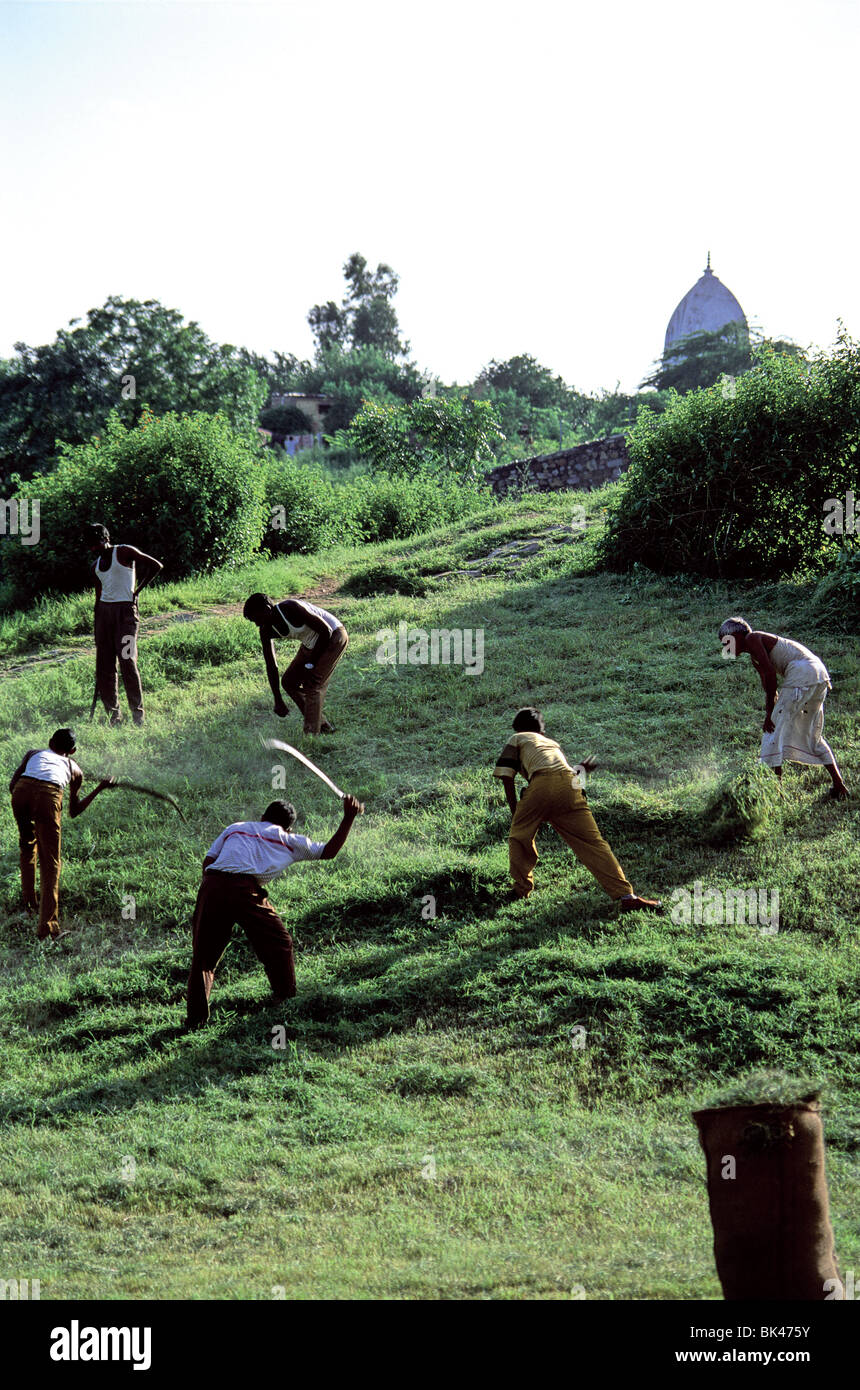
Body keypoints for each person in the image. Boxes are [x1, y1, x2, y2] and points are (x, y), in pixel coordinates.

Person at [186, 792, 364, 1027]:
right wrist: (349, 817)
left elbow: (208, 863)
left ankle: (195, 1021)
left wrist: (213, 896)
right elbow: (328, 851)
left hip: (213, 885)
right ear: (288, 827)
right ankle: (285, 998)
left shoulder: (236, 828)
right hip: (245, 891)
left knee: (204, 957)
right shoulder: (287, 840)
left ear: (262, 817)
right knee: (279, 942)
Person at [493, 707, 662, 911]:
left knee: (519, 838)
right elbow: (564, 776)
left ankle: (521, 889)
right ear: (541, 729)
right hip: (570, 787)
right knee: (594, 843)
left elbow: (506, 776)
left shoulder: (517, 738)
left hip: (542, 785)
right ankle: (627, 896)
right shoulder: (552, 744)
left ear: (517, 727)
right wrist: (581, 769)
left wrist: (516, 813)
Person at [718, 617, 849, 799]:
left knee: (772, 734)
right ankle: (839, 785)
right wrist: (772, 702)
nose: (726, 648)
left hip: (801, 674)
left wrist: (769, 712)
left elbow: (771, 674)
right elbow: (767, 679)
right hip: (818, 674)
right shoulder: (755, 653)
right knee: (811, 734)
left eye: (727, 641)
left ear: (737, 636)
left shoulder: (752, 638)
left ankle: (777, 793)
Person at [9, 728, 114, 940]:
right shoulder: (74, 768)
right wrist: (100, 788)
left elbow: (12, 785)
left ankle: (29, 904)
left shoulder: (32, 754)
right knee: (51, 863)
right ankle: (47, 928)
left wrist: (29, 798)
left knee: (27, 845)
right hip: (48, 796)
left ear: (49, 742)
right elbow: (74, 811)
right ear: (73, 751)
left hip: (21, 792)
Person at [87, 522, 163, 726]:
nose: (94, 548)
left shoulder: (124, 552)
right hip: (104, 616)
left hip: (126, 615)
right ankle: (114, 717)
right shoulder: (95, 567)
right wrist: (97, 629)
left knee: (128, 661)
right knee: (104, 668)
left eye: (97, 543)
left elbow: (156, 565)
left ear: (106, 539)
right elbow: (98, 597)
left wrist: (137, 591)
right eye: (91, 546)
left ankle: (138, 715)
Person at [243, 593, 348, 735]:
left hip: (334, 636)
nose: (257, 624)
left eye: (257, 618)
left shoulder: (291, 608)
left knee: (312, 684)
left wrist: (311, 664)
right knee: (289, 682)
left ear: (268, 608)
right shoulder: (265, 630)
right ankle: (322, 725)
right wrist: (277, 699)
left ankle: (311, 735)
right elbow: (271, 665)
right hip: (311, 644)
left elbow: (326, 631)